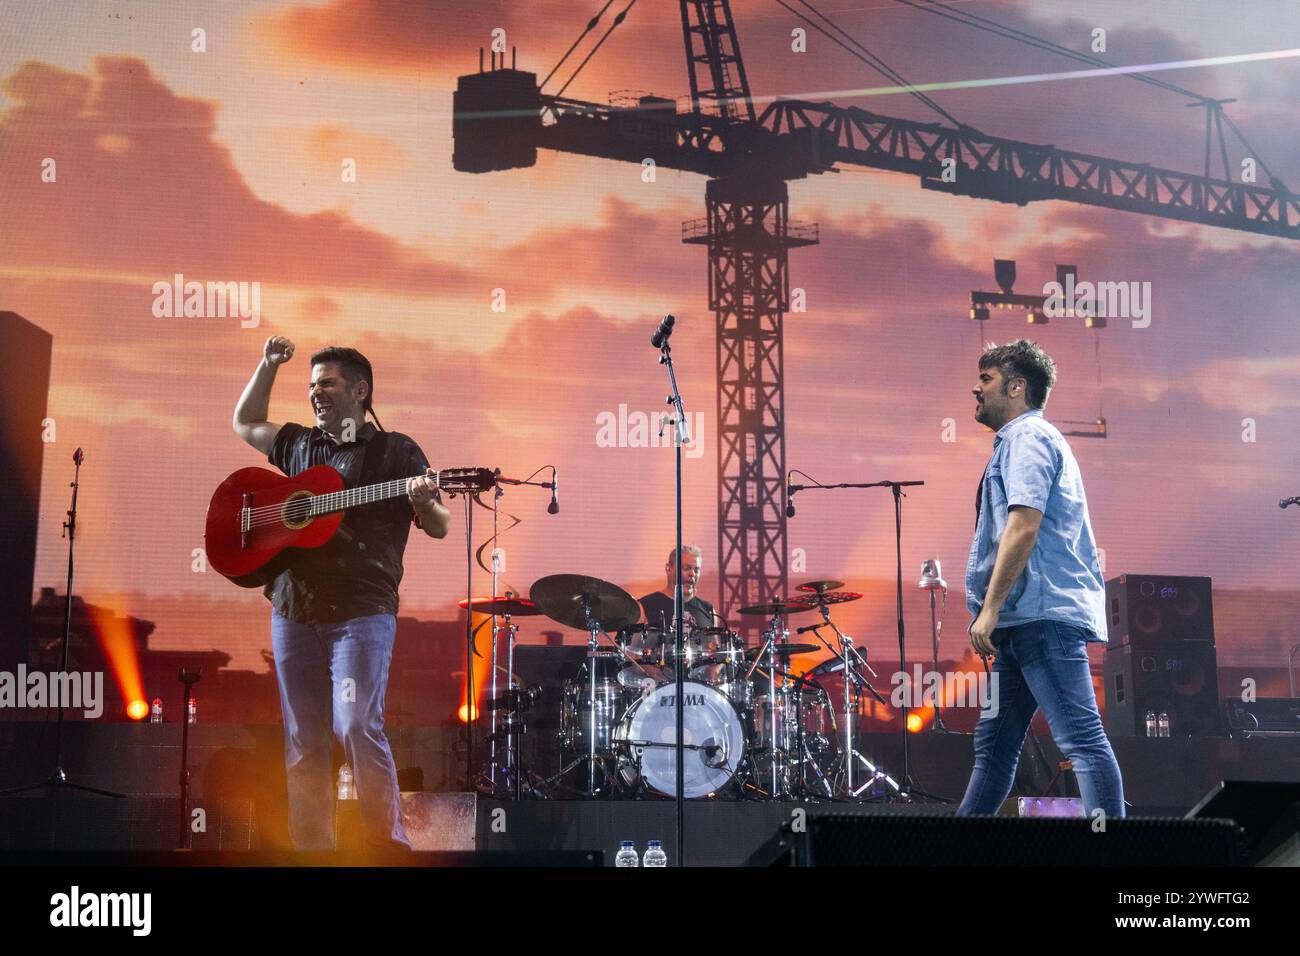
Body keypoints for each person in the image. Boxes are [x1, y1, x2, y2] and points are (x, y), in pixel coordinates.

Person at [232, 335, 450, 850]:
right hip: (294, 611)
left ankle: (386, 850)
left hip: (361, 613)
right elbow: (244, 422)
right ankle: (313, 854)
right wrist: (267, 365)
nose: (315, 392)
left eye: (326, 383)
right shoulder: (300, 444)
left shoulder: (396, 451)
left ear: (360, 390)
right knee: (305, 741)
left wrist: (423, 502)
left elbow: (438, 525)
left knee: (354, 725)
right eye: (311, 385)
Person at [957, 339, 1124, 819]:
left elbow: (1024, 523)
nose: (976, 387)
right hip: (1025, 621)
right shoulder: (1017, 442)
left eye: (985, 379)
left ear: (1017, 386)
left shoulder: (1029, 438)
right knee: (994, 747)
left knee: (1082, 741)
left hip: (1041, 618)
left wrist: (988, 610)